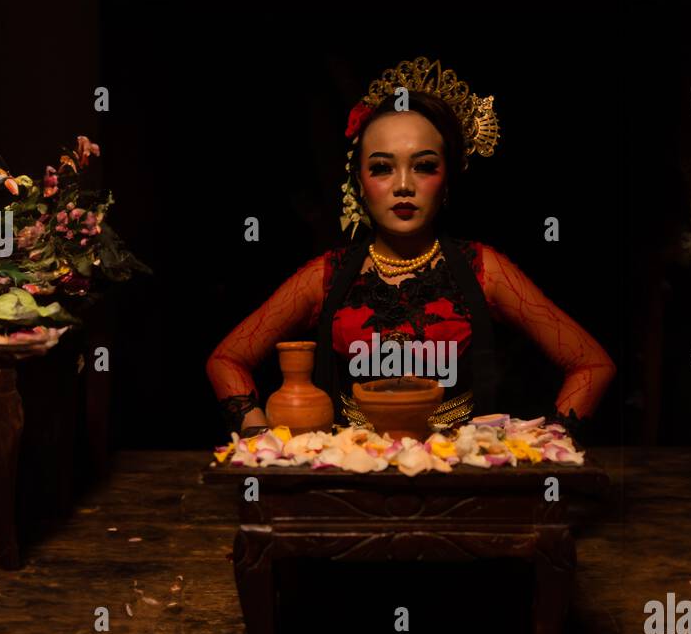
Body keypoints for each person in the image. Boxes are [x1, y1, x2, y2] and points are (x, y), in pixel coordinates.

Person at [207, 57, 614, 438]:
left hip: (460, 477)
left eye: (424, 166)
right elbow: (226, 361)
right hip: (352, 476)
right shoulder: (326, 276)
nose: (403, 185)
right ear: (359, 182)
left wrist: (547, 445)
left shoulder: (483, 269)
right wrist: (263, 442)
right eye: (382, 168)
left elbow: (592, 365)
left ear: (447, 180)